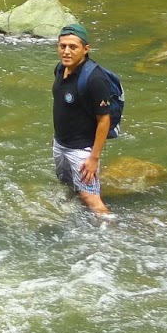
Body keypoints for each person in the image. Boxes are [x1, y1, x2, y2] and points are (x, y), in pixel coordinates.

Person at [51, 21, 111, 218]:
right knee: (66, 185)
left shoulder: (95, 79)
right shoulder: (60, 68)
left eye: (73, 47)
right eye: (62, 46)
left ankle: (112, 233)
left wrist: (94, 158)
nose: (66, 51)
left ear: (86, 49)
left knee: (90, 197)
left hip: (82, 150)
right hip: (60, 144)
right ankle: (73, 219)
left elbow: (104, 120)